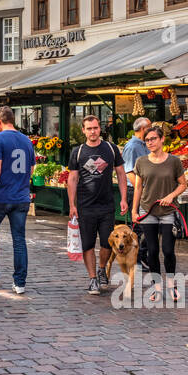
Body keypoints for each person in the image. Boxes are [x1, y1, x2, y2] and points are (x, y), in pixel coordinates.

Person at [66, 115, 128, 295]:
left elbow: (121, 174)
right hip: (86, 206)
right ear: (83, 130)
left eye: (95, 128)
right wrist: (72, 204)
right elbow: (73, 178)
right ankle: (93, 278)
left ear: (99, 129)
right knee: (88, 245)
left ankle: (102, 269)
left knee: (109, 243)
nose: (93, 132)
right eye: (89, 128)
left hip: (107, 204)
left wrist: (123, 198)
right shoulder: (78, 152)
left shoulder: (111, 148)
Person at [0, 106, 34, 294]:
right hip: (21, 196)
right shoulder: (27, 141)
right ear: (13, 120)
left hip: (1, 197)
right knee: (19, 239)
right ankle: (20, 283)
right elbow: (31, 169)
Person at [131, 122, 187, 300]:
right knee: (152, 251)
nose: (150, 142)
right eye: (147, 140)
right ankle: (156, 287)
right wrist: (134, 210)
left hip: (168, 211)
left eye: (153, 139)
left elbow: (183, 184)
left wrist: (171, 196)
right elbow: (139, 188)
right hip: (148, 210)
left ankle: (172, 285)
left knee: (168, 250)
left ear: (162, 139)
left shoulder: (174, 161)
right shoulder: (141, 162)